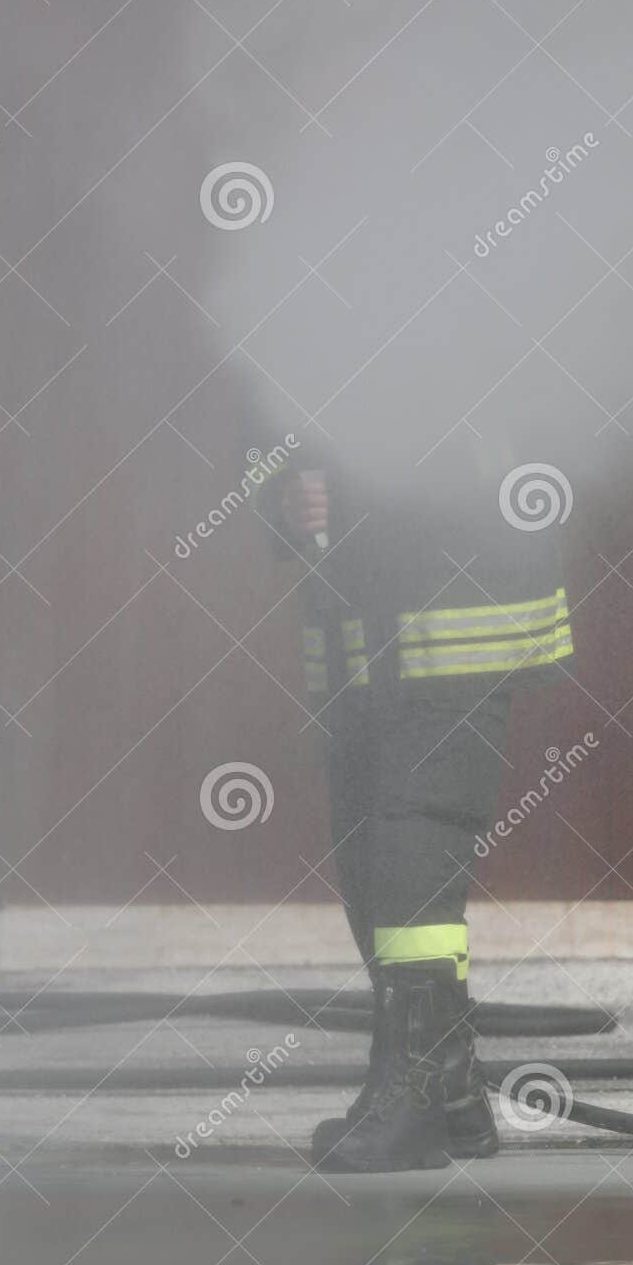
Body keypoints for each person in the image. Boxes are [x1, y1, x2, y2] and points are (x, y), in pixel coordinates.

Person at [269, 436, 573, 1174]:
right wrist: (279, 491)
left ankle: (414, 1095)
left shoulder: (467, 321)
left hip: (452, 602)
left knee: (415, 827)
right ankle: (448, 1089)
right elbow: (269, 411)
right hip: (357, 619)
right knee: (369, 838)